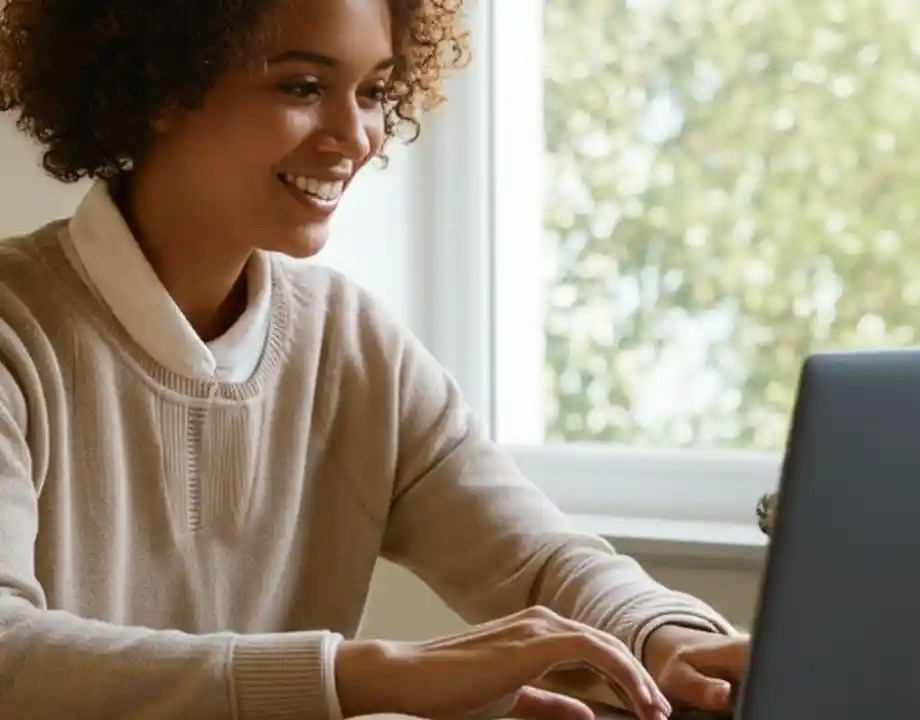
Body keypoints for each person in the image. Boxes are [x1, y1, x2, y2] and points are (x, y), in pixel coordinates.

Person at [0, 0, 751, 717]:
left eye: (372, 91)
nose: (356, 135)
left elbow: (538, 562)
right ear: (158, 85)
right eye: (302, 87)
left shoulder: (350, 345)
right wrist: (378, 679)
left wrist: (663, 635)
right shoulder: (17, 330)